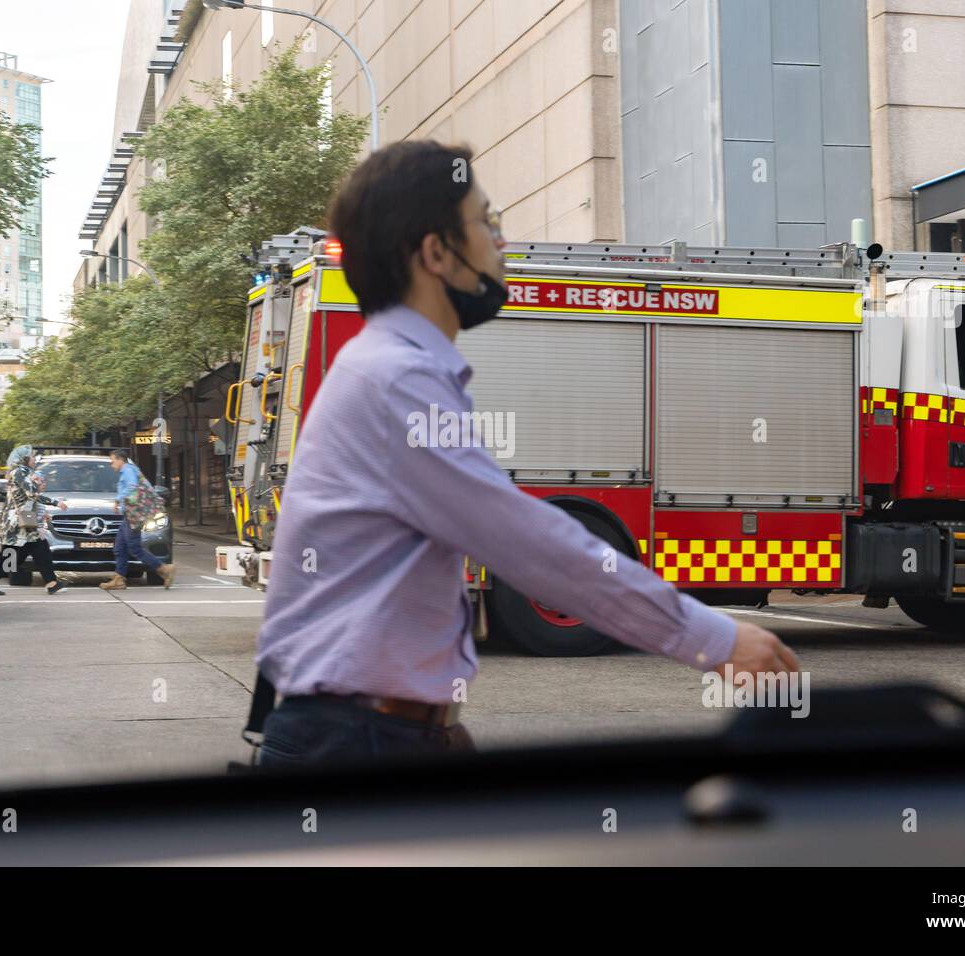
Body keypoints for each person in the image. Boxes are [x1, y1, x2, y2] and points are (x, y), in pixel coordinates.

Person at [252, 140, 800, 767]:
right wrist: (715, 638)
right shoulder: (398, 380)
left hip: (374, 733)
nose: (502, 241)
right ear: (436, 252)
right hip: (357, 742)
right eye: (486, 221)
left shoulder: (388, 368)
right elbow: (529, 544)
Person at [0, 445, 68, 596]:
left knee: (40, 548)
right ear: (25, 459)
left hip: (25, 521)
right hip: (17, 523)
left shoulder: (26, 472)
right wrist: (55, 503)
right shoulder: (19, 472)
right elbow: (32, 493)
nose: (35, 459)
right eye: (32, 457)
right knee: (10, 554)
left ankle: (51, 582)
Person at [99, 450, 175, 590]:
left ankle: (163, 568)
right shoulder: (130, 470)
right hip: (129, 515)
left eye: (113, 461)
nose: (112, 464)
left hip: (133, 515)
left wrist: (118, 500)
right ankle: (119, 579)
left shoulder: (127, 470)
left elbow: (132, 486)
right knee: (120, 547)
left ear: (121, 459)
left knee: (134, 548)